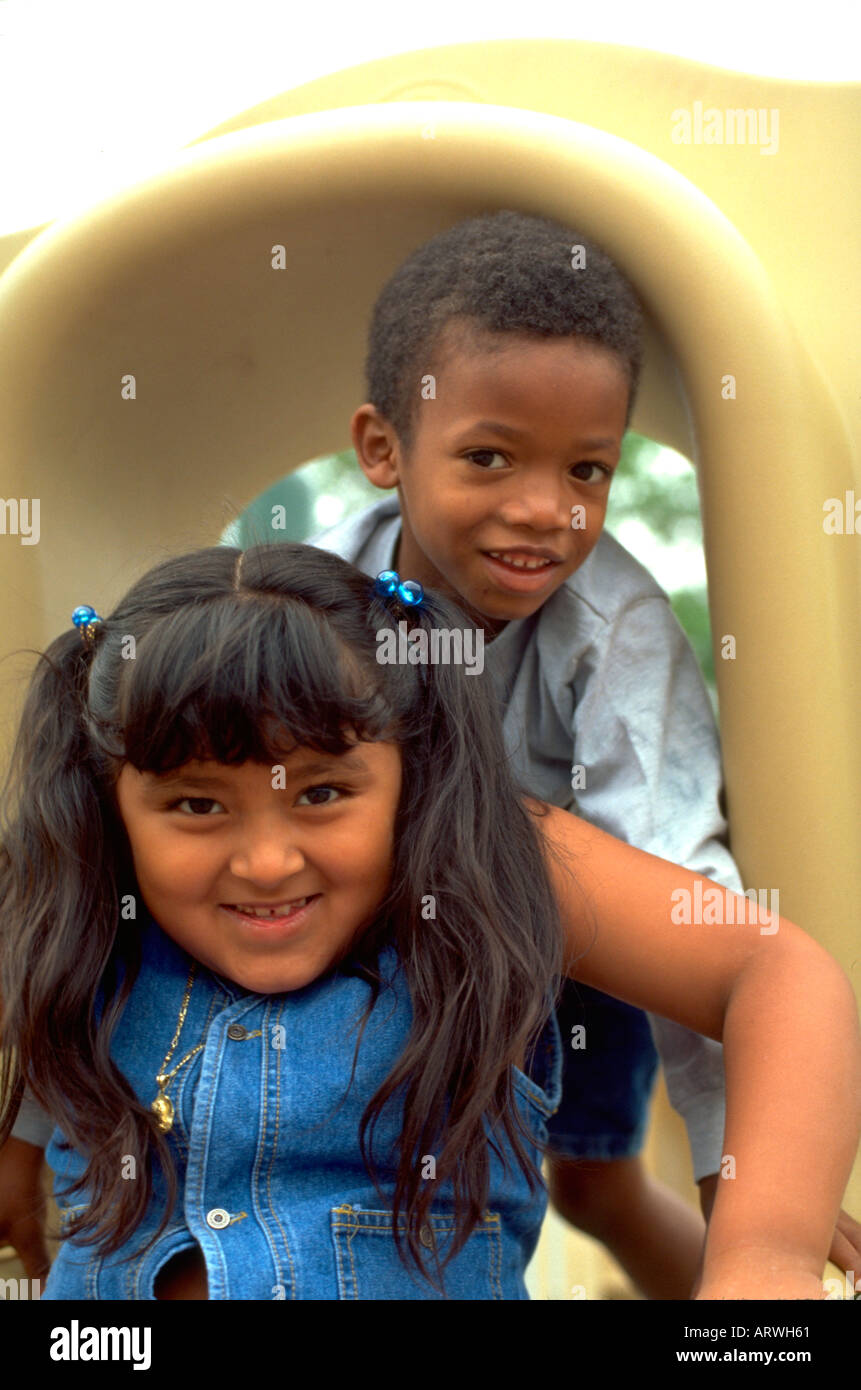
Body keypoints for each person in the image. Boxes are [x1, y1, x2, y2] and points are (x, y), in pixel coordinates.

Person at [0, 541, 857, 1301]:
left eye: (323, 793)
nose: (265, 862)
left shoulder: (488, 862)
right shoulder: (84, 895)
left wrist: (765, 1256)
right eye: (195, 804)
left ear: (411, 771)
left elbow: (771, 971)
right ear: (109, 805)